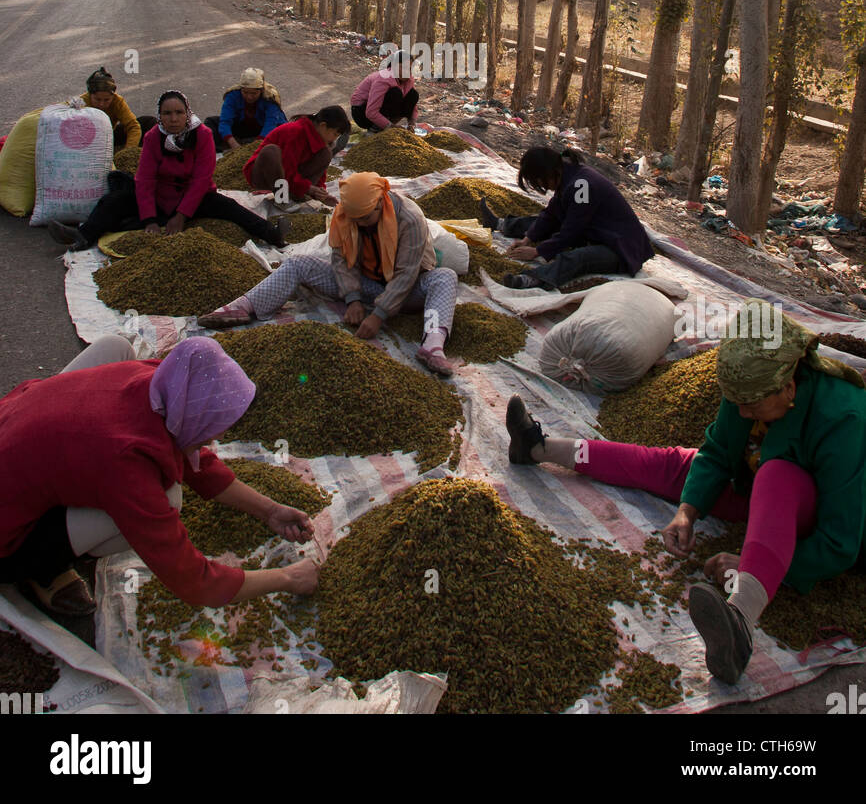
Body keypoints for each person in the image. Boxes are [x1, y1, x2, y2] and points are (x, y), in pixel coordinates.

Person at [504, 302, 866, 685]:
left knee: (777, 474)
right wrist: (687, 512)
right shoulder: (748, 388)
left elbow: (840, 542)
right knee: (675, 465)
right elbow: (716, 454)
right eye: (737, 404)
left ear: (789, 386)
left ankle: (740, 617)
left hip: (818, 520)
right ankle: (538, 448)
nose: (742, 414)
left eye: (751, 406)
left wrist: (746, 564)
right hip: (756, 484)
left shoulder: (844, 417)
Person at [0, 335, 318, 614]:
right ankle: (43, 569)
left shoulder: (153, 379)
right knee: (169, 498)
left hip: (15, 429)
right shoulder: (126, 461)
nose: (213, 441)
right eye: (211, 433)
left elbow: (197, 459)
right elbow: (195, 582)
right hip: (7, 537)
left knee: (116, 346)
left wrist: (270, 511)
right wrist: (288, 578)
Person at [198, 172, 459, 376]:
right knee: (297, 263)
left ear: (381, 203)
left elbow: (406, 273)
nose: (358, 224)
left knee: (445, 276)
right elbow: (341, 258)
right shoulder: (345, 214)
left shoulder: (410, 218)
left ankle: (432, 345)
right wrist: (353, 299)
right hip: (366, 283)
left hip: (408, 292)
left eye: (366, 219)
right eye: (354, 219)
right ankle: (243, 306)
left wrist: (378, 315)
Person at [45, 90, 293, 251]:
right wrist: (150, 219)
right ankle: (82, 235)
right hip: (159, 194)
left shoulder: (203, 135)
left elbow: (201, 179)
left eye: (178, 113)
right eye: (167, 114)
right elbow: (144, 178)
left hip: (194, 197)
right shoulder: (154, 136)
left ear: (187, 114)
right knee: (115, 200)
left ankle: (271, 234)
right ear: (160, 116)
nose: (173, 118)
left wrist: (181, 216)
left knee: (230, 208)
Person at [479, 145, 653, 290]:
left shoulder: (582, 185)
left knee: (578, 258)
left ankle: (535, 279)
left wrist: (537, 252)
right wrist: (527, 239)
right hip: (595, 233)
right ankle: (501, 224)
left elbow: (572, 230)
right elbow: (551, 214)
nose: (540, 186)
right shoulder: (568, 176)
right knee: (544, 220)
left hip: (619, 247)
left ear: (549, 174)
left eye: (539, 181)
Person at [243, 106, 351, 207]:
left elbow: (319, 174)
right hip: (263, 175)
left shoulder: (320, 140)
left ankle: (296, 195)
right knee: (271, 151)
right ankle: (282, 199)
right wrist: (308, 188)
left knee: (326, 153)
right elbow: (287, 169)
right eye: (335, 134)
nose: (334, 139)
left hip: (288, 178)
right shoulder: (295, 132)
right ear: (323, 126)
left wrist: (320, 194)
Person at [203, 67, 287, 152]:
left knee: (283, 134)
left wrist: (256, 145)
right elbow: (225, 121)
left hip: (263, 129)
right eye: (245, 92)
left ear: (261, 91)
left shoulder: (269, 98)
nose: (249, 97)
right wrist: (233, 143)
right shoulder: (233, 95)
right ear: (241, 89)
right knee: (211, 122)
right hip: (243, 126)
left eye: (254, 93)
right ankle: (212, 150)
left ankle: (250, 143)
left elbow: (270, 124)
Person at [350, 55, 419, 132]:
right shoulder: (384, 78)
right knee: (395, 93)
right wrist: (391, 127)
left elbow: (412, 104)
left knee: (413, 94)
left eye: (409, 69)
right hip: (361, 113)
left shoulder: (408, 79)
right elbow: (370, 112)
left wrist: (412, 123)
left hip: (378, 112)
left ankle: (386, 124)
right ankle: (377, 128)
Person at [82, 67, 143, 151]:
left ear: (113, 96)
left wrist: (128, 151)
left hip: (109, 136)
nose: (101, 104)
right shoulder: (82, 102)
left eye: (106, 100)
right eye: (97, 99)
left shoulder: (117, 101)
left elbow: (133, 126)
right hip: (88, 141)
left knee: (146, 121)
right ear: (89, 95)